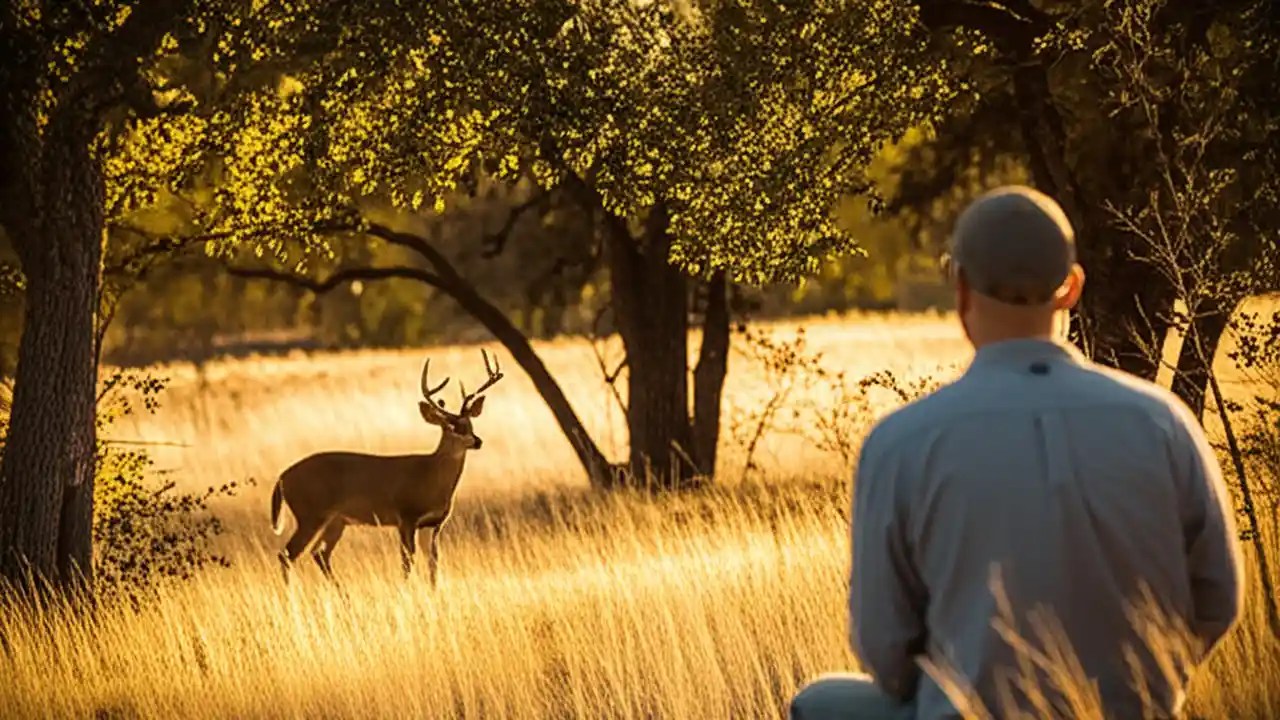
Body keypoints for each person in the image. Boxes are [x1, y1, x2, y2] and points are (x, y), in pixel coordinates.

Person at [790, 186, 1244, 720]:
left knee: (817, 704)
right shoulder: (1162, 421)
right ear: (1071, 287)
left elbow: (883, 652)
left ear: (959, 287)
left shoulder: (902, 442)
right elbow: (1219, 600)